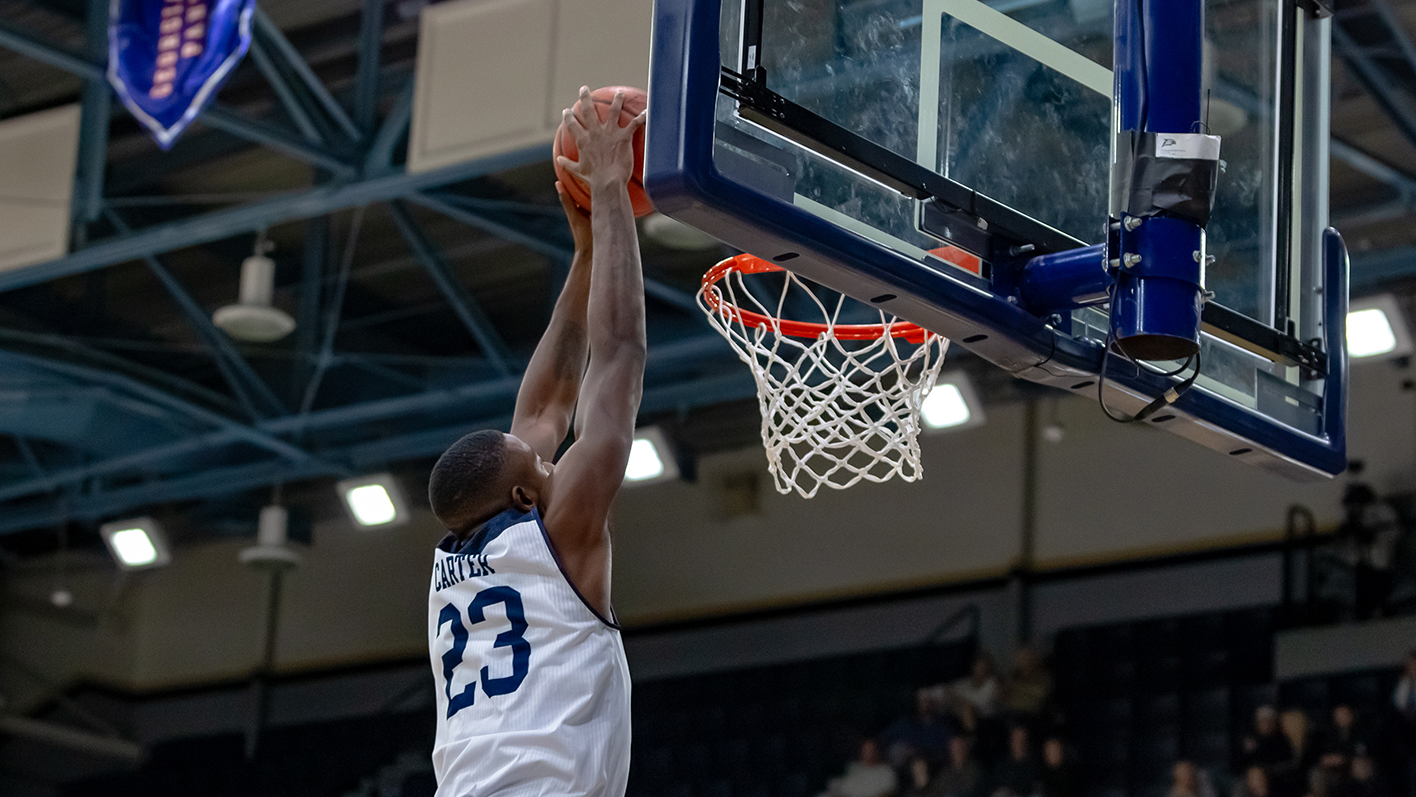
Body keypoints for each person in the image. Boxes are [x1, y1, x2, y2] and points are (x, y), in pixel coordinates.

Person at [424, 86, 648, 797]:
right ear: (523, 495)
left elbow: (549, 402)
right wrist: (610, 185)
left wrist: (586, 255)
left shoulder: (459, 562)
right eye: (543, 463)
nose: (551, 454)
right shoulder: (554, 534)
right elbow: (616, 360)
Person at [883, 690, 954, 767]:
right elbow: (884, 738)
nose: (926, 705)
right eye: (922, 701)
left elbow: (944, 749)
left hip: (931, 762)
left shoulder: (942, 724)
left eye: (928, 701)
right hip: (902, 765)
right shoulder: (905, 723)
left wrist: (919, 751)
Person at [821, 739, 899, 797]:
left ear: (877, 751)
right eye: (865, 750)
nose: (868, 753)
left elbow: (887, 792)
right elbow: (841, 786)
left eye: (871, 750)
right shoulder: (853, 767)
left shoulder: (886, 771)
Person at [1002, 647, 1054, 725]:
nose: (1024, 662)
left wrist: (1019, 687)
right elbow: (1003, 697)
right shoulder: (1013, 676)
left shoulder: (1043, 677)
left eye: (1026, 658)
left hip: (1032, 714)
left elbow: (1041, 694)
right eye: (1021, 659)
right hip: (1012, 712)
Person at [990, 725, 1040, 797]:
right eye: (1016, 738)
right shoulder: (1001, 766)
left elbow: (1036, 789)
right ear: (1011, 740)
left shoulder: (1034, 765)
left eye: (1022, 738)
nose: (1019, 742)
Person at [1241, 706, 1294, 773]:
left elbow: (1285, 762)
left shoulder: (1282, 740)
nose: (1267, 725)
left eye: (1270, 721)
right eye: (1263, 721)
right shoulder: (1251, 740)